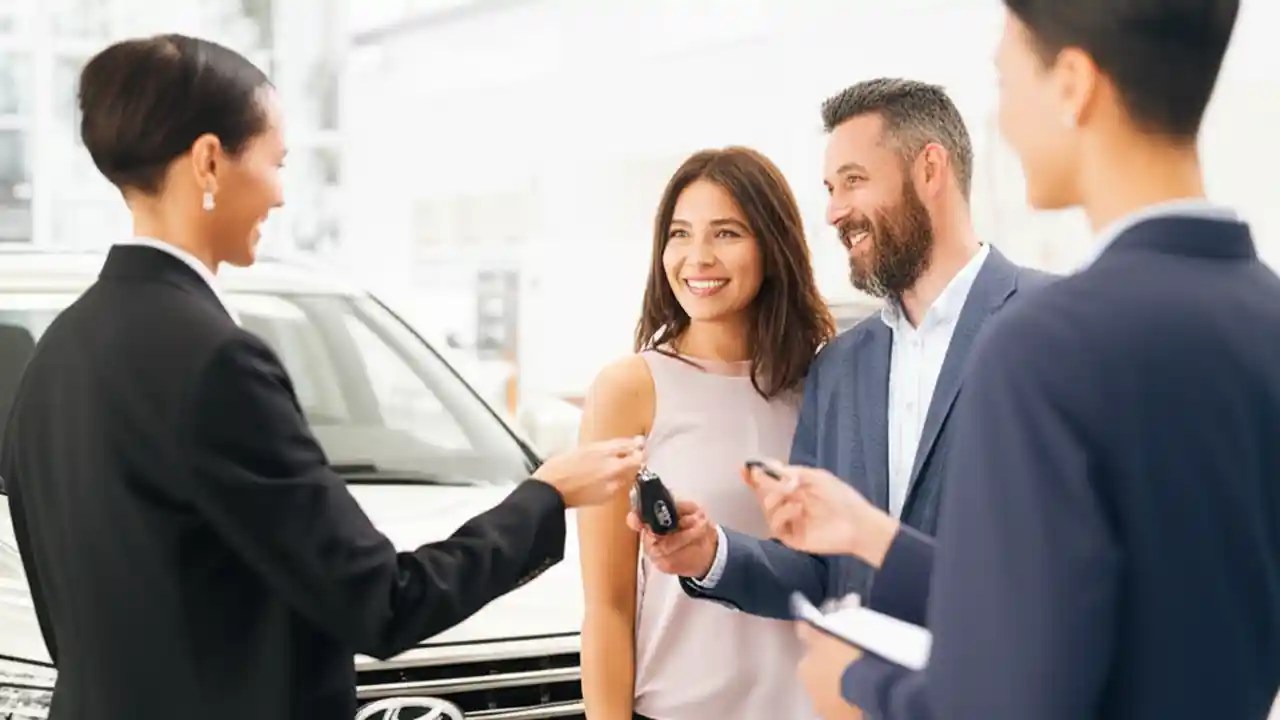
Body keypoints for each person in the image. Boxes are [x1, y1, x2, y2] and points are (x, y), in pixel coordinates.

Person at [0, 34, 643, 720]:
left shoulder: (53, 357)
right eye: (276, 163)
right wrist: (546, 495)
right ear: (210, 161)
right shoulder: (216, 362)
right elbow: (383, 601)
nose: (281, 196)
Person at [756, 1, 1280, 718]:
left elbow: (1007, 696)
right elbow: (1108, 612)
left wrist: (854, 684)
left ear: (1073, 85)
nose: (1002, 122)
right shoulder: (1264, 318)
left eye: (1007, 81)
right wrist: (873, 536)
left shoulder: (1044, 345)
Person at [638, 79, 1054, 618]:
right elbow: (819, 571)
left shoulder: (1055, 325)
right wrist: (712, 554)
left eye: (853, 181)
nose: (834, 212)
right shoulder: (838, 366)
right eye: (830, 188)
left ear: (930, 170)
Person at [575, 146, 834, 720]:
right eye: (680, 234)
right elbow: (608, 609)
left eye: (726, 233)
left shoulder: (823, 385)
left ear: (774, 245)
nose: (697, 257)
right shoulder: (629, 389)